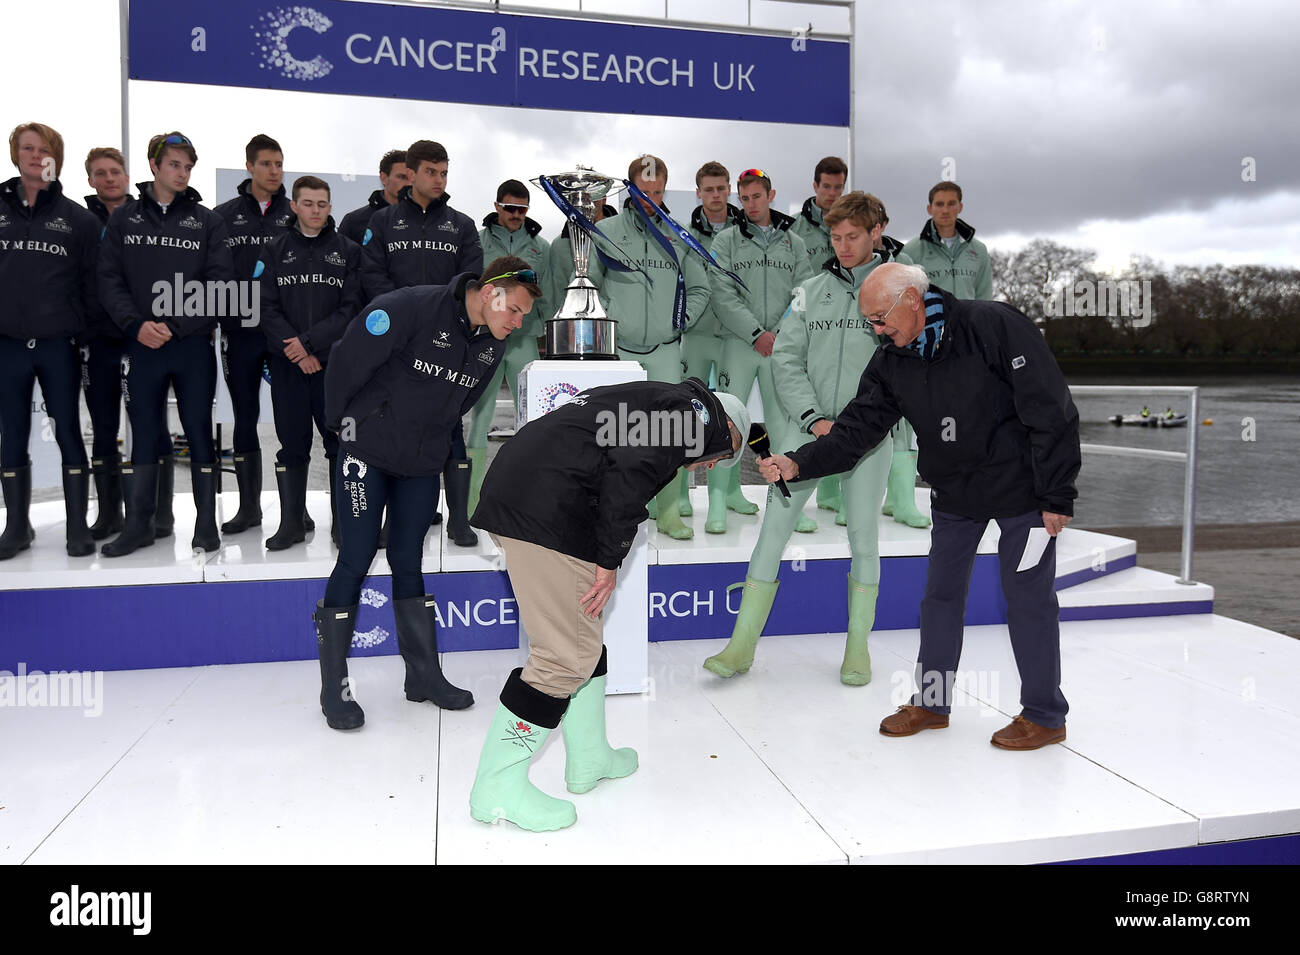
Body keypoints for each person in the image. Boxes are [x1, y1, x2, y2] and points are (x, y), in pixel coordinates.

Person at [759, 262, 1080, 750]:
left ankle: (1044, 714)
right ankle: (932, 703)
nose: (876, 329)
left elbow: (1051, 407)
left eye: (880, 318)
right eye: (869, 321)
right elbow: (854, 432)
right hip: (955, 495)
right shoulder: (892, 359)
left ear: (912, 299)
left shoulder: (991, 325)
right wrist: (797, 464)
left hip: (1025, 493)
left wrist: (1057, 493)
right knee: (940, 599)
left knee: (1028, 600)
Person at [468, 379, 752, 831]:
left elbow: (610, 458)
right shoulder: (692, 417)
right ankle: (497, 787)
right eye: (724, 454)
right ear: (729, 428)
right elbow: (631, 475)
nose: (712, 463)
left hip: (531, 495)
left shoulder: (659, 399)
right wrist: (609, 558)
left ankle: (589, 757)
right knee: (563, 658)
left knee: (583, 633)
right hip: (544, 509)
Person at [316, 256, 539, 731]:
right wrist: (345, 432)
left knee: (409, 560)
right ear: (488, 292)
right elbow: (344, 362)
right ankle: (333, 688)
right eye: (514, 310)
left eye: (523, 316)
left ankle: (422, 675)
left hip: (419, 466)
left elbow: (460, 402)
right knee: (355, 558)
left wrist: (433, 445)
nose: (518, 323)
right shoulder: (407, 309)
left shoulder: (490, 347)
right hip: (366, 455)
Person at [704, 191, 892, 684]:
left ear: (875, 232)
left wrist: (853, 425)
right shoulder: (811, 289)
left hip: (867, 438)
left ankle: (857, 650)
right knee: (774, 532)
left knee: (864, 538)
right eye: (835, 237)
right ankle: (740, 646)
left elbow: (901, 364)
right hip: (803, 436)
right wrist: (812, 419)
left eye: (853, 236)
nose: (843, 245)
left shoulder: (896, 289)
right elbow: (786, 357)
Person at [97, 131, 234, 557]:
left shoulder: (207, 221)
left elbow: (220, 284)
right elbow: (108, 279)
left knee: (198, 433)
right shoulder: (124, 219)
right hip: (141, 345)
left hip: (190, 345)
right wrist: (136, 324)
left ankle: (207, 524)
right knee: (144, 434)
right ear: (154, 166)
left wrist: (175, 325)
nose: (182, 173)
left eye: (188, 166)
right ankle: (140, 525)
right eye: (174, 164)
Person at [361, 139, 483, 547]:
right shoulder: (382, 223)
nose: (439, 180)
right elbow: (372, 277)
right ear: (410, 174)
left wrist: (439, 322)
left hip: (447, 343)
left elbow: (471, 282)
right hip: (396, 344)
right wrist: (403, 321)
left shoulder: (462, 225)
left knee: (449, 431)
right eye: (431, 172)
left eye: (444, 172)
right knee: (393, 434)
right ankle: (391, 522)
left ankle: (459, 521)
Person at [583, 154, 711, 541]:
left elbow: (701, 287)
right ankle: (609, 512)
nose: (651, 199)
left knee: (671, 434)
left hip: (664, 350)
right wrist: (607, 322)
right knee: (614, 433)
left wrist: (678, 322)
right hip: (619, 350)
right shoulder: (605, 229)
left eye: (658, 192)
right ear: (630, 187)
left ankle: (668, 511)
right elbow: (588, 282)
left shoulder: (678, 234)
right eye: (644, 191)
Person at [0, 123, 99, 559]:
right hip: (7, 345)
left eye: (44, 150)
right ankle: (17, 526)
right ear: (15, 154)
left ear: (56, 158)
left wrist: (83, 334)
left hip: (59, 345)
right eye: (27, 148)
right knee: (12, 435)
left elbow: (93, 286)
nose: (35, 155)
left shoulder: (77, 219)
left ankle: (78, 526)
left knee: (69, 434)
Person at [256, 175, 363, 549]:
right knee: (292, 445)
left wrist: (311, 347)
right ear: (295, 206)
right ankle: (291, 524)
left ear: (330, 208)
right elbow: (265, 307)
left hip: (332, 366)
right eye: (308, 203)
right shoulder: (274, 250)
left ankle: (342, 524)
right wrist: (296, 350)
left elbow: (352, 309)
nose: (316, 211)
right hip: (287, 365)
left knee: (339, 445)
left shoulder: (349, 251)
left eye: (322, 204)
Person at [705, 167, 812, 534]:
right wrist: (755, 333)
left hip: (779, 347)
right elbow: (721, 292)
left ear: (771, 196)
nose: (751, 204)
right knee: (727, 422)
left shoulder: (793, 243)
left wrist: (779, 333)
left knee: (784, 424)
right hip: (739, 343)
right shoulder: (727, 241)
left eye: (757, 196)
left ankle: (787, 504)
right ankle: (717, 504)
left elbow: (803, 293)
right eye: (745, 198)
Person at [81, 146, 179, 545]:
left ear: (127, 174)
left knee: (153, 427)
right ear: (90, 180)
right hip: (98, 339)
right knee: (103, 428)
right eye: (100, 173)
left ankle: (160, 513)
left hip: (145, 340)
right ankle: (109, 514)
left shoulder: (148, 215)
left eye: (115, 171)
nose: (109, 179)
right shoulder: (80, 222)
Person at [214, 134, 294, 537]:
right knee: (244, 419)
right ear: (249, 167)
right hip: (241, 333)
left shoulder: (295, 212)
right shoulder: (223, 215)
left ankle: (296, 513)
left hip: (284, 335)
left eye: (279, 163)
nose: (274, 171)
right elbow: (213, 272)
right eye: (266, 163)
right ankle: (249, 509)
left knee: (291, 421)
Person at [465, 180, 550, 514]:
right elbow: (472, 286)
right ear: (497, 206)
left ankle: (529, 499)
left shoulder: (540, 247)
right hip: (486, 339)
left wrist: (537, 327)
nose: (516, 215)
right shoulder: (478, 241)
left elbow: (551, 293)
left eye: (522, 209)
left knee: (533, 421)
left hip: (523, 341)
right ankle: (470, 501)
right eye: (510, 208)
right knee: (480, 419)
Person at [681, 160, 745, 519]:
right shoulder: (684, 233)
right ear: (699, 192)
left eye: (721, 188)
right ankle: (681, 495)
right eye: (709, 189)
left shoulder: (743, 233)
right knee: (688, 413)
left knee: (732, 413)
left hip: (732, 337)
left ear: (729, 190)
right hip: (698, 335)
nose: (716, 195)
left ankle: (730, 491)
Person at [789, 156, 848, 522]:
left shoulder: (850, 224)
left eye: (838, 187)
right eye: (826, 186)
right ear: (815, 186)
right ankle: (797, 497)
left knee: (841, 404)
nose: (832, 193)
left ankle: (831, 492)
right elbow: (793, 285)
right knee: (810, 407)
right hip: (808, 325)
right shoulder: (795, 229)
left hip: (842, 328)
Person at [900, 181, 993, 300]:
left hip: (970, 318)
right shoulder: (911, 250)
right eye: (939, 204)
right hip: (931, 318)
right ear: (929, 209)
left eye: (951, 204)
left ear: (960, 207)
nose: (945, 210)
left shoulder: (979, 250)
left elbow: (985, 297)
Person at [338, 149, 411, 246]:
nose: (409, 183)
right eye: (402, 177)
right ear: (384, 178)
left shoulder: (427, 219)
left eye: (413, 178)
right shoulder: (354, 221)